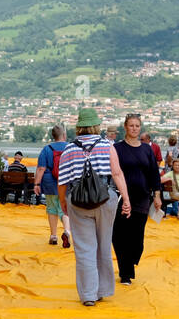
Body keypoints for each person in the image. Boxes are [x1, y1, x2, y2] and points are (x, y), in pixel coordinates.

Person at [57, 107, 132, 305]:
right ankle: (103, 290)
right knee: (104, 246)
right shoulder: (108, 145)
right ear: (96, 125)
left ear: (79, 127)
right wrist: (126, 198)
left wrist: (63, 203)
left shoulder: (69, 149)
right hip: (105, 200)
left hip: (78, 202)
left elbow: (62, 181)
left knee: (84, 249)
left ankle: (88, 295)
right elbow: (116, 174)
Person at [112, 113, 161, 284]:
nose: (134, 129)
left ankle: (130, 259)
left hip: (141, 197)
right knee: (119, 234)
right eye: (131, 125)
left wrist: (157, 194)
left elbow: (154, 173)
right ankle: (125, 272)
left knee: (137, 236)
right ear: (125, 127)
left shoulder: (146, 149)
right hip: (121, 196)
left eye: (137, 126)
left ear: (140, 128)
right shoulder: (117, 148)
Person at [34, 126, 71, 247]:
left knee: (51, 208)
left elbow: (41, 168)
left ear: (53, 136)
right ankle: (67, 231)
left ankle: (53, 236)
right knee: (64, 209)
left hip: (50, 182)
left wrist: (37, 184)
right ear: (64, 135)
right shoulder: (70, 148)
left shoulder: (47, 149)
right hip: (66, 181)